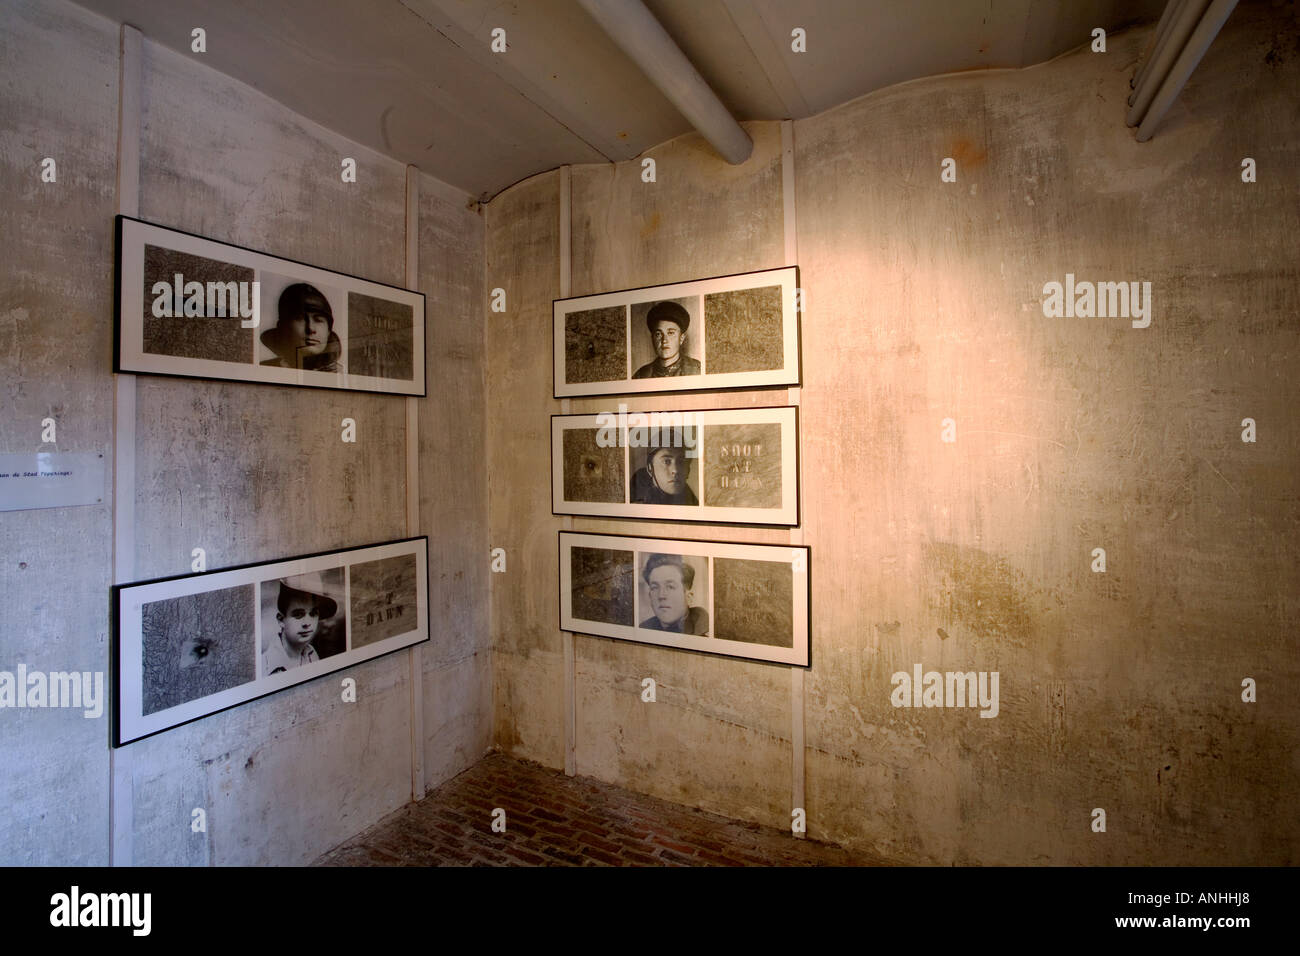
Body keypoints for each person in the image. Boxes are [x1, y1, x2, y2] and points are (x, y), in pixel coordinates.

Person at [262, 572, 337, 675]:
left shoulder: (312, 655)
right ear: (281, 620)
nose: (307, 623)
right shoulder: (264, 667)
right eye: (298, 614)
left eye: (313, 613)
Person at [260, 283, 343, 371]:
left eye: (318, 320)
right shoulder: (265, 369)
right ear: (282, 327)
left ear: (328, 331)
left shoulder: (342, 376)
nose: (311, 328)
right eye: (300, 318)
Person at [639, 554, 709, 635]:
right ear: (650, 596)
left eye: (670, 587)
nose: (661, 595)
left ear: (689, 597)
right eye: (655, 587)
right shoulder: (644, 632)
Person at [632, 301, 701, 378]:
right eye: (658, 334)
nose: (664, 340)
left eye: (671, 333)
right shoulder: (640, 375)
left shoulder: (698, 370)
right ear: (652, 339)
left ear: (681, 338)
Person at [631, 443, 698, 505]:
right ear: (650, 469)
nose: (675, 470)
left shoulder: (693, 504)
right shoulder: (638, 507)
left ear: (688, 470)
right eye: (666, 461)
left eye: (681, 462)